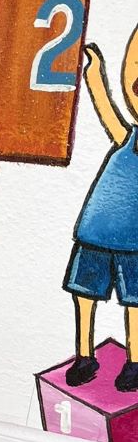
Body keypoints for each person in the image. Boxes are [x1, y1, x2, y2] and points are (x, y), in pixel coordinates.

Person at [63, 33, 138, 392]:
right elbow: (108, 111)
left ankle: (136, 362)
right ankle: (84, 354)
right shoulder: (128, 136)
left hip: (135, 244)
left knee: (136, 302)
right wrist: (94, 72)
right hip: (95, 232)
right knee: (84, 294)